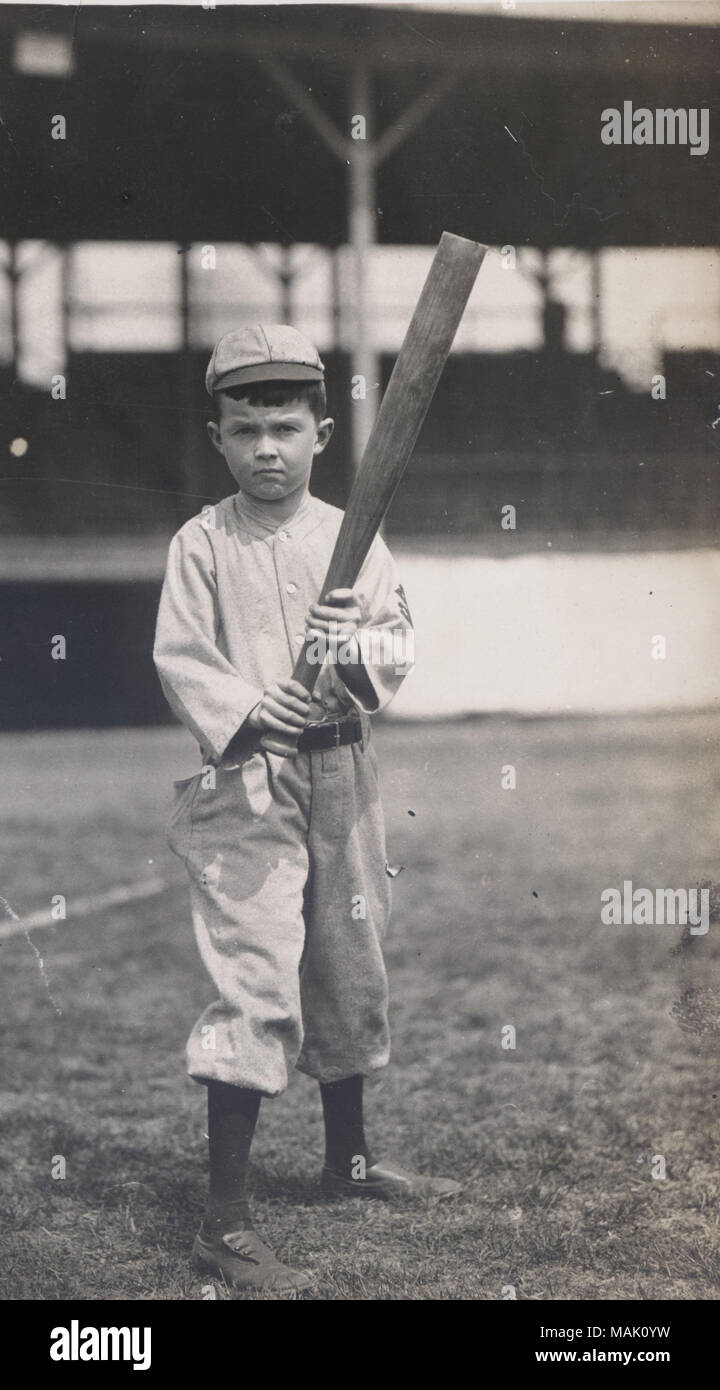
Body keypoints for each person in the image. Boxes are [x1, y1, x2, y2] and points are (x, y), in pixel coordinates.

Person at [153, 324, 459, 1293]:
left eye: (286, 427)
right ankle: (224, 1224)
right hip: (246, 783)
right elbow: (180, 660)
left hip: (345, 773)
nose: (267, 450)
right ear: (219, 438)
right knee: (255, 979)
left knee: (349, 962)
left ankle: (347, 1160)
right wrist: (255, 706)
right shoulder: (200, 544)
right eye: (246, 431)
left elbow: (400, 643)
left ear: (324, 431)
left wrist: (354, 645)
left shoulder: (351, 536)